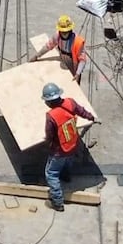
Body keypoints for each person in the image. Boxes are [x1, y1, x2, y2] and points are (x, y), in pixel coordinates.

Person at [42, 82, 97, 211]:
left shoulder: (51, 116)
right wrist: (91, 117)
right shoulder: (70, 103)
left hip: (59, 149)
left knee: (51, 174)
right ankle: (66, 175)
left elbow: (49, 136)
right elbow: (82, 111)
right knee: (67, 161)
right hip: (73, 143)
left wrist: (48, 146)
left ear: (49, 102)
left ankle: (57, 202)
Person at [35, 15, 88, 82]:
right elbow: (48, 46)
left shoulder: (78, 41)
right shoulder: (57, 36)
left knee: (73, 83)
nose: (64, 34)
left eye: (66, 32)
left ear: (70, 30)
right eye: (62, 32)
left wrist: (78, 73)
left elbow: (82, 60)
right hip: (62, 58)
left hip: (73, 63)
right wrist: (37, 55)